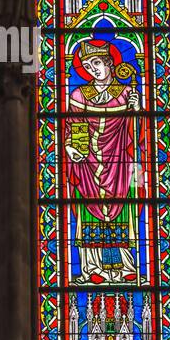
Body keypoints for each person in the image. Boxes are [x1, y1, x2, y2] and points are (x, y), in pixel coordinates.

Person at [64, 40, 140, 284]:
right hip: (86, 165)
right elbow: (71, 128)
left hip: (119, 163)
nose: (93, 69)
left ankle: (125, 264)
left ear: (109, 63)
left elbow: (136, 135)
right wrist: (70, 148)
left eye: (96, 63)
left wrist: (136, 112)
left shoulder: (127, 94)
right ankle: (92, 267)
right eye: (87, 65)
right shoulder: (78, 95)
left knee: (121, 210)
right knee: (89, 211)